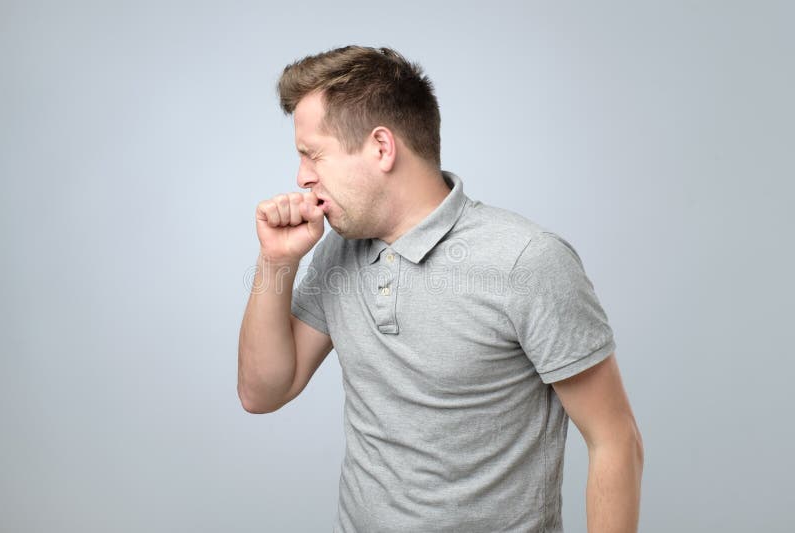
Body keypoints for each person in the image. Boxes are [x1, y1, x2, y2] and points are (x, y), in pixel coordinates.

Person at [238, 45, 643, 533]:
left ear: (381, 148)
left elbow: (614, 440)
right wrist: (277, 260)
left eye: (312, 154)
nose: (302, 176)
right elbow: (263, 393)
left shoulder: (527, 261)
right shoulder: (338, 252)